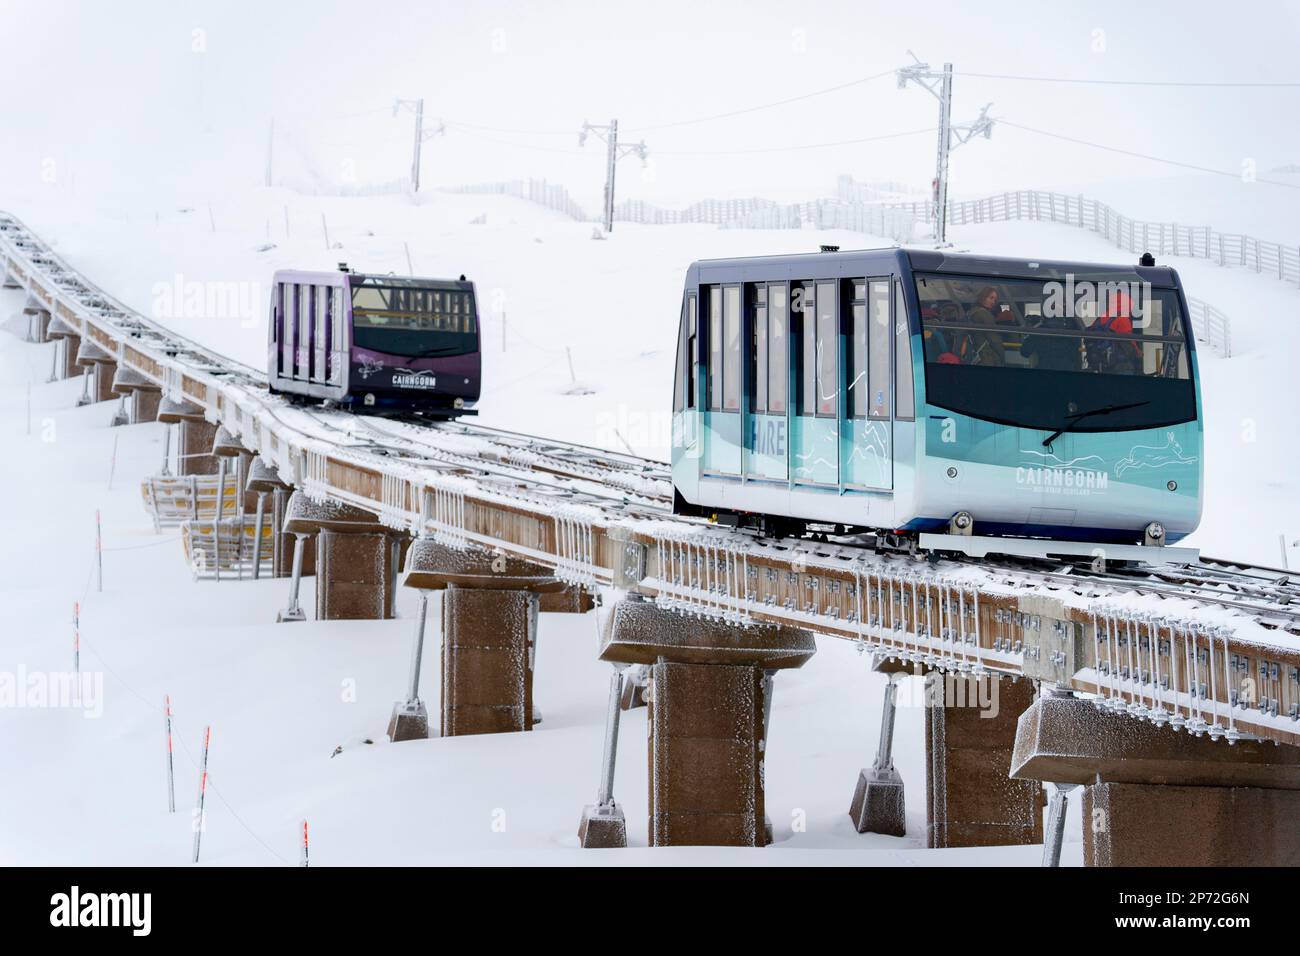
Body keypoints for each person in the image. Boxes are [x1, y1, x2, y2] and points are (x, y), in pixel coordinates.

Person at [1086, 290, 1143, 375]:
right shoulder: (1122, 319)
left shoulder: (1101, 318)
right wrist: (1138, 352)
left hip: (1102, 365)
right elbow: (1130, 341)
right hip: (1120, 366)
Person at [953, 286, 1006, 366]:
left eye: (995, 299)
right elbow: (994, 339)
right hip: (984, 358)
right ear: (983, 297)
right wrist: (1002, 356)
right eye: (991, 298)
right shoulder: (984, 314)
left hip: (970, 356)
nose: (993, 302)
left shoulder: (969, 313)